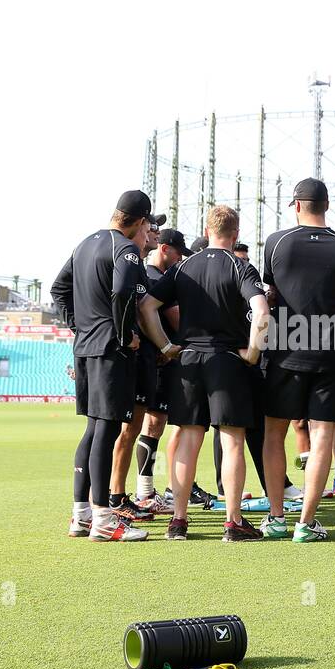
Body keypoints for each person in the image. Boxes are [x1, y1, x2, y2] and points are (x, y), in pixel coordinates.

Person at [139, 205, 270, 543]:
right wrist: (253, 353)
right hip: (226, 361)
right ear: (236, 233)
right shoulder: (240, 266)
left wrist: (166, 346)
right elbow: (261, 311)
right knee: (232, 441)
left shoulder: (184, 267)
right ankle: (233, 522)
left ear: (207, 229)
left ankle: (178, 522)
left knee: (187, 440)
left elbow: (147, 307)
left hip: (188, 361)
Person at [259, 177, 335, 542]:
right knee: (322, 437)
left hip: (285, 348)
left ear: (297, 205)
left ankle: (275, 517)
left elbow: (271, 294)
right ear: (326, 205)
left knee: (274, 433)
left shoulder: (277, 242)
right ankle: (305, 522)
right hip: (332, 349)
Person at [50, 189, 155, 542]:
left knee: (94, 429)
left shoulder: (84, 244)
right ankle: (104, 519)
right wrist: (124, 335)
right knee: (106, 431)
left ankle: (81, 515)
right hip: (111, 351)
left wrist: (79, 326)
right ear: (140, 221)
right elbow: (124, 291)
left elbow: (57, 289)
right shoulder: (123, 248)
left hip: (85, 348)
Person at [106, 213, 166, 523]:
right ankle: (113, 497)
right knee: (121, 430)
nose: (154, 232)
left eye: (156, 228)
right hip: (129, 358)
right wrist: (123, 335)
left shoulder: (139, 266)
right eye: (150, 226)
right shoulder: (125, 261)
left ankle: (119, 495)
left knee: (131, 429)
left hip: (143, 360)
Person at [133, 228, 190, 514]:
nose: (180, 260)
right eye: (178, 253)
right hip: (160, 360)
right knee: (153, 424)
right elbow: (175, 318)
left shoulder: (150, 275)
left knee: (155, 423)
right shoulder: (157, 277)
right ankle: (144, 492)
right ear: (166, 249)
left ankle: (147, 491)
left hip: (159, 358)